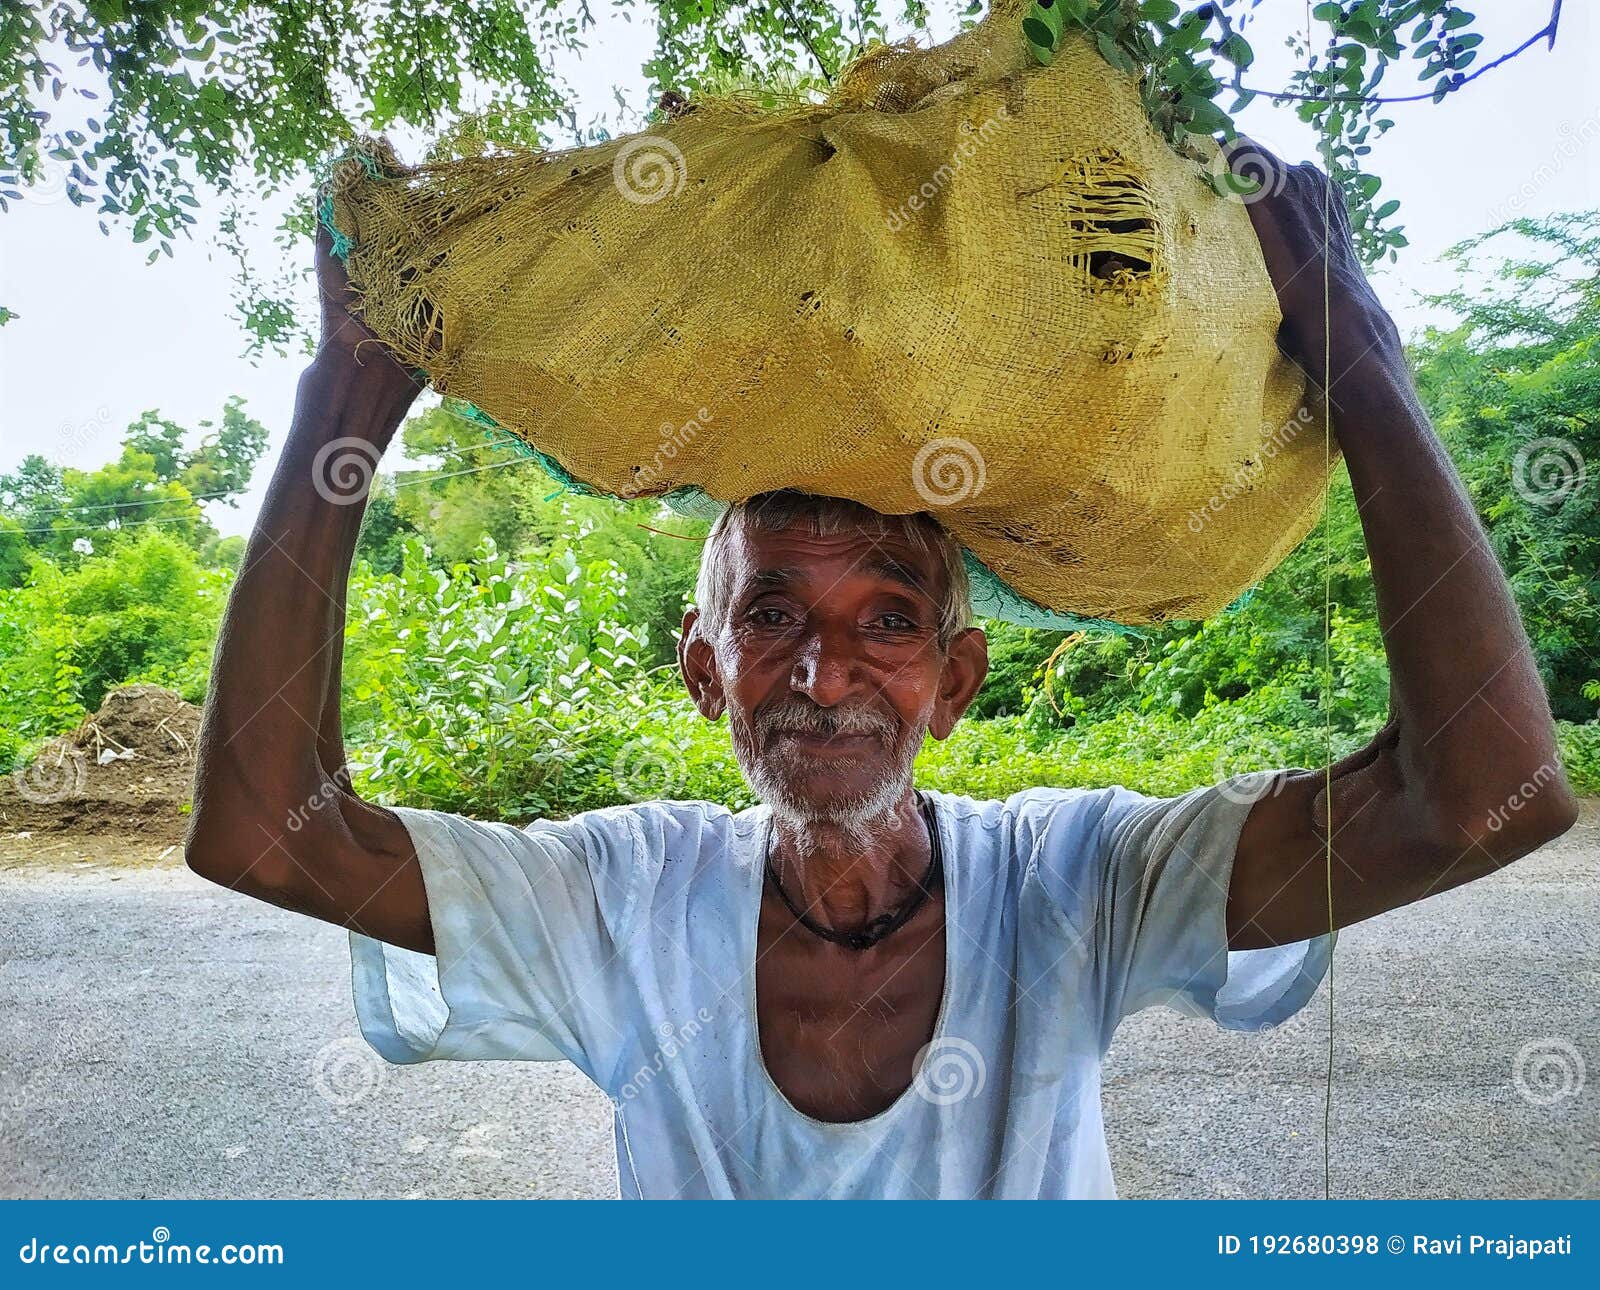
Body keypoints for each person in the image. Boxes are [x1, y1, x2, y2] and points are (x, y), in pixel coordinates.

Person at [186, 139, 1577, 1198]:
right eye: (773, 616)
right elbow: (262, 831)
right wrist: (347, 395)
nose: (825, 669)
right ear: (703, 671)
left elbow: (1486, 794)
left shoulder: (1074, 881)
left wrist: (1358, 349)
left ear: (958, 683)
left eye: (890, 621)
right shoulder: (623, 901)